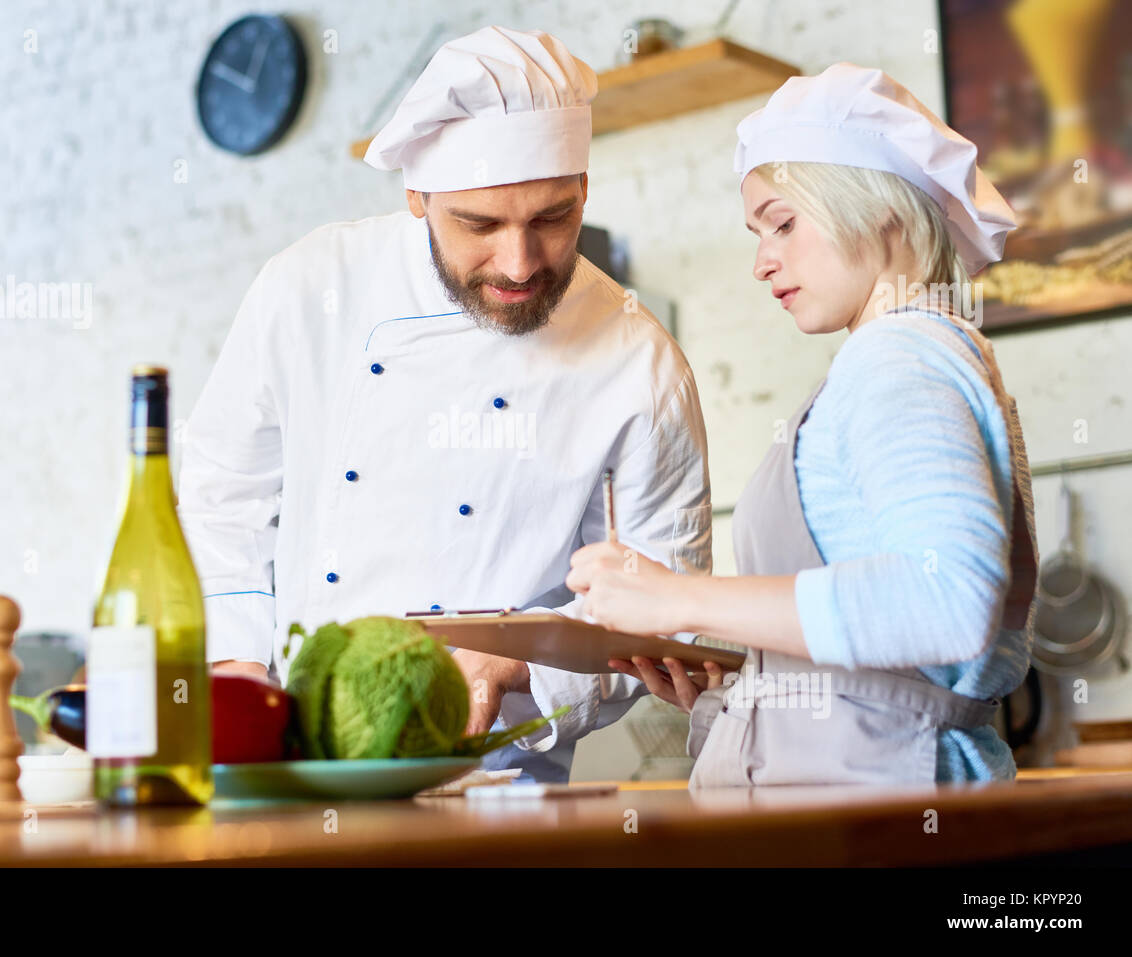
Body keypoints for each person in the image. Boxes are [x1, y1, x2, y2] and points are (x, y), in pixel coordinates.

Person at [177, 26, 713, 783]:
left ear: (584, 189)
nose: (520, 263)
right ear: (416, 196)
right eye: (480, 225)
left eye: (551, 219)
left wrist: (516, 664)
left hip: (503, 786)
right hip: (297, 762)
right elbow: (220, 498)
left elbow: (671, 611)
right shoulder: (309, 290)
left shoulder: (640, 362)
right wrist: (238, 673)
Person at [567, 63, 1040, 786]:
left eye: (783, 223)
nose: (762, 263)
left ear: (880, 212)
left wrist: (678, 597)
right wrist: (743, 694)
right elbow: (885, 670)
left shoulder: (897, 356)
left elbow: (946, 599)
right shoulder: (903, 355)